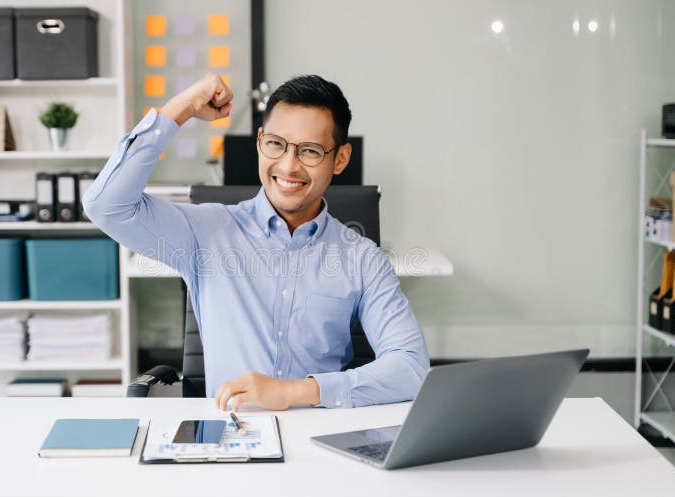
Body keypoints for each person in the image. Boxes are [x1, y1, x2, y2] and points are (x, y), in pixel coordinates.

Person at [83, 73, 429, 411]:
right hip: (229, 438)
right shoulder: (205, 232)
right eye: (276, 144)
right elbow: (106, 205)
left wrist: (295, 392)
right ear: (260, 142)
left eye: (309, 151)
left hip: (319, 438)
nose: (289, 166)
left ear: (339, 159)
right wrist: (183, 107)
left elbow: (411, 367)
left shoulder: (361, 257)